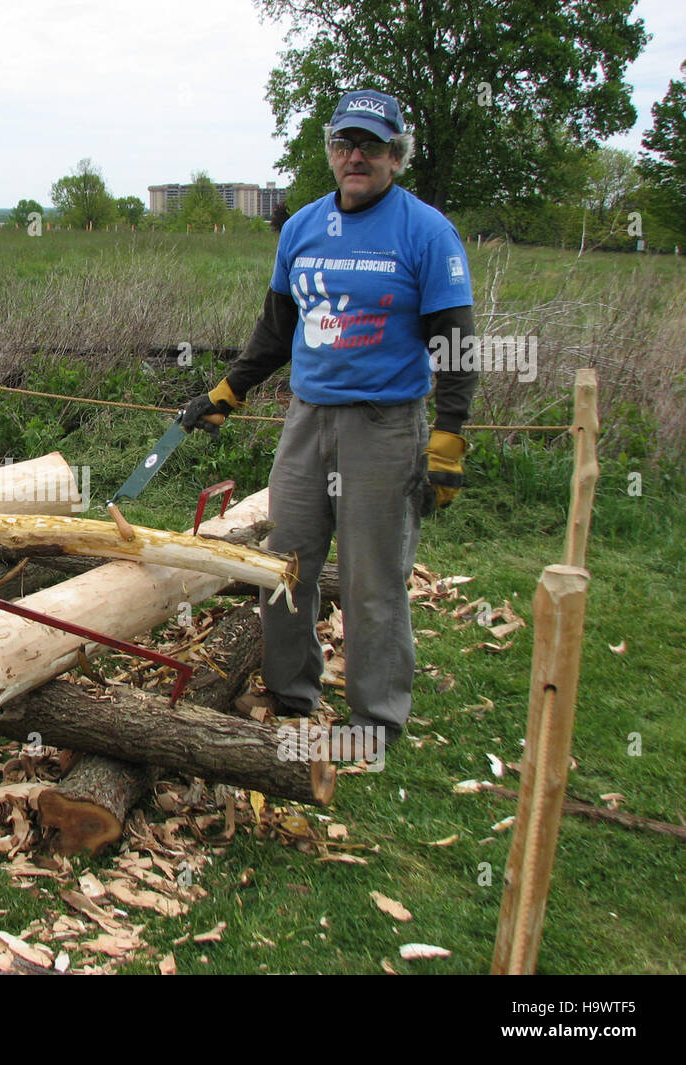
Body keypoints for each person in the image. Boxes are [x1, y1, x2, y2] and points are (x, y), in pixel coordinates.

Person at [181, 89, 477, 745]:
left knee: (375, 578)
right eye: (345, 143)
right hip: (307, 421)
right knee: (284, 565)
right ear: (331, 152)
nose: (357, 156)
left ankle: (378, 715)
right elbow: (275, 331)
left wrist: (449, 441)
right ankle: (292, 692)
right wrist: (227, 392)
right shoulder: (302, 228)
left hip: (385, 426)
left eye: (372, 145)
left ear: (395, 156)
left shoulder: (426, 232)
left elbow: (455, 345)